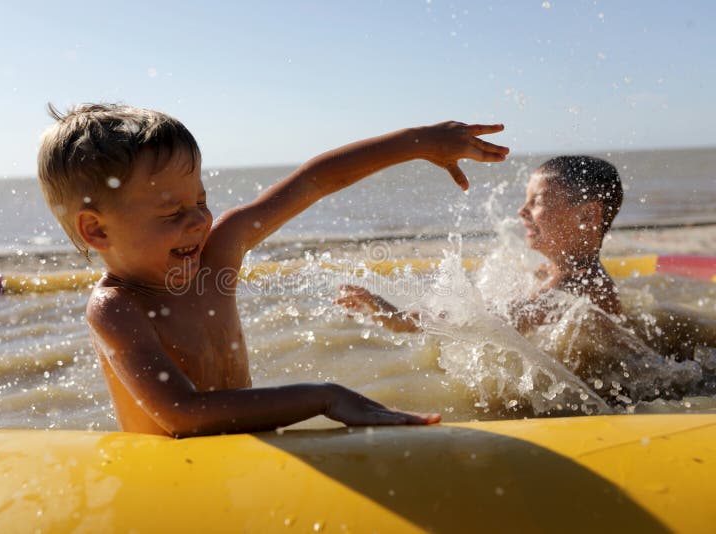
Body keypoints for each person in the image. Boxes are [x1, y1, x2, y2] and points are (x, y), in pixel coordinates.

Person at [37, 103, 509, 437]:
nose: (199, 219)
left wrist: (418, 142)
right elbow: (181, 414)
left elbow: (314, 181)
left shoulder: (218, 253)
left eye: (200, 200)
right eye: (170, 212)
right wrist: (323, 397)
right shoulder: (117, 308)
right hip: (171, 478)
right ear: (96, 231)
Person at [337, 155, 623, 335]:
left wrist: (394, 317)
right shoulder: (559, 273)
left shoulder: (573, 288)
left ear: (587, 215)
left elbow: (475, 324)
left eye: (536, 202)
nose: (522, 211)